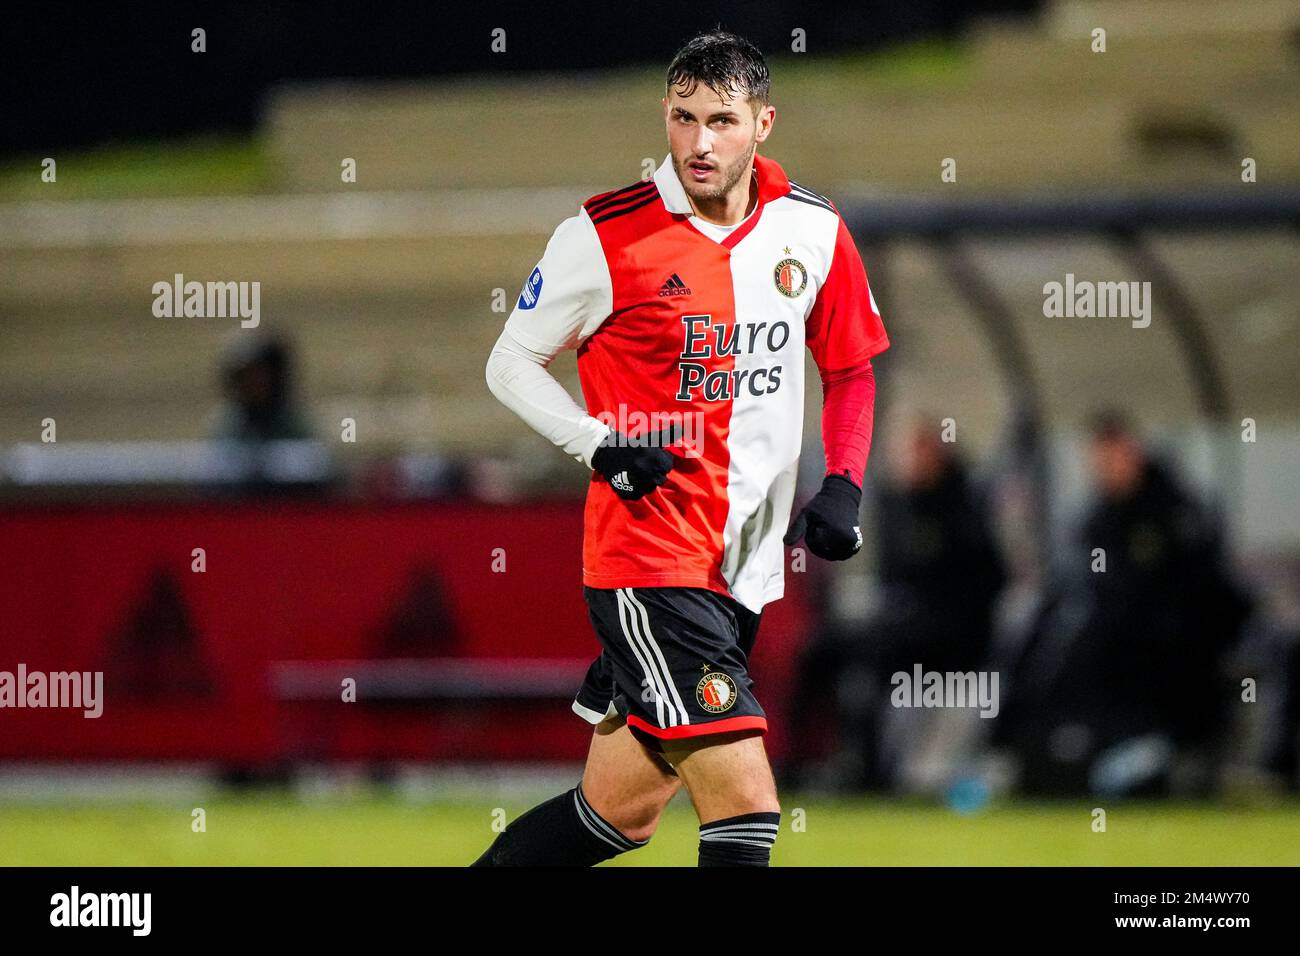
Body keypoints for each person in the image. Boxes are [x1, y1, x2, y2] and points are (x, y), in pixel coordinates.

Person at [476, 30, 889, 866]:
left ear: (763, 123)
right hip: (649, 559)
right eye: (683, 118)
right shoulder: (604, 235)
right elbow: (509, 362)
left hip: (742, 566)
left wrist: (843, 482)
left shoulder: (811, 229)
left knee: (615, 814)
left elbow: (850, 370)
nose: (700, 143)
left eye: (723, 121)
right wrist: (600, 446)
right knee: (748, 806)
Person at [995, 411, 1250, 795]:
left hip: (1164, 649)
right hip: (1106, 642)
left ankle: (1144, 753)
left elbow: (1196, 594)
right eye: (1098, 461)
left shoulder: (1176, 513)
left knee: (1091, 640)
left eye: (1113, 458)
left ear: (1134, 453)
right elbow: (1071, 585)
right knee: (1034, 635)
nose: (1105, 469)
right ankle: (1024, 752)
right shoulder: (1095, 517)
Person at [782, 413, 1006, 791]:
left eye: (918, 451)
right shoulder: (901, 507)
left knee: (868, 667)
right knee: (821, 652)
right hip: (906, 625)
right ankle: (800, 759)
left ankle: (870, 775)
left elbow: (981, 586)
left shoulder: (964, 511)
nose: (908, 461)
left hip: (950, 639)